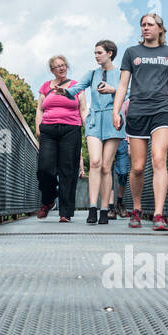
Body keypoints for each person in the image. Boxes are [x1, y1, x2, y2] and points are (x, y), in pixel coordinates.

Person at [112, 12, 168, 231]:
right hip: (137, 111)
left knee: (159, 159)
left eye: (150, 24)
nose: (145, 28)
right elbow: (123, 85)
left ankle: (159, 214)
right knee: (138, 167)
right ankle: (137, 208)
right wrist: (116, 112)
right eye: (143, 25)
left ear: (160, 28)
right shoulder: (132, 52)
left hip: (162, 110)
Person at [58, 41, 125, 224]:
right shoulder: (92, 73)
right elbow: (77, 88)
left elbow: (129, 93)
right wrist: (65, 92)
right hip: (95, 120)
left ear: (110, 53)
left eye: (99, 52)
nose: (96, 56)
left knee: (106, 166)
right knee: (95, 162)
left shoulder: (121, 74)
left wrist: (114, 90)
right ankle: (92, 208)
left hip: (113, 120)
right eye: (94, 53)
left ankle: (105, 209)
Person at [35, 55, 85, 222]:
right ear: (52, 70)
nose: (62, 68)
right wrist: (38, 128)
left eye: (64, 65)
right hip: (48, 130)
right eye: (58, 66)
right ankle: (49, 200)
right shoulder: (45, 86)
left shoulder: (76, 86)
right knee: (44, 168)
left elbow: (83, 108)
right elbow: (40, 109)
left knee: (68, 171)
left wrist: (89, 130)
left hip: (71, 129)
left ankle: (65, 212)